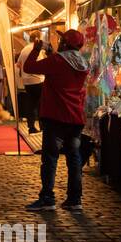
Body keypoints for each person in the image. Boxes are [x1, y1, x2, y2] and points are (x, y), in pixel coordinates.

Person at [23, 29, 90, 212]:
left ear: (65, 43)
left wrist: (37, 49)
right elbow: (66, 71)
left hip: (55, 117)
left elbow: (28, 67)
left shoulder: (57, 61)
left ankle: (47, 198)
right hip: (75, 118)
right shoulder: (83, 63)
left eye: (61, 40)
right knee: (74, 158)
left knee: (50, 159)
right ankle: (75, 199)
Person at [17, 31, 44, 134]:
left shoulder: (24, 49)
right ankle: (42, 126)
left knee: (31, 104)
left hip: (26, 81)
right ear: (37, 38)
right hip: (37, 79)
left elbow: (18, 64)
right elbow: (40, 64)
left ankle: (31, 127)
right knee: (41, 104)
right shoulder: (37, 50)